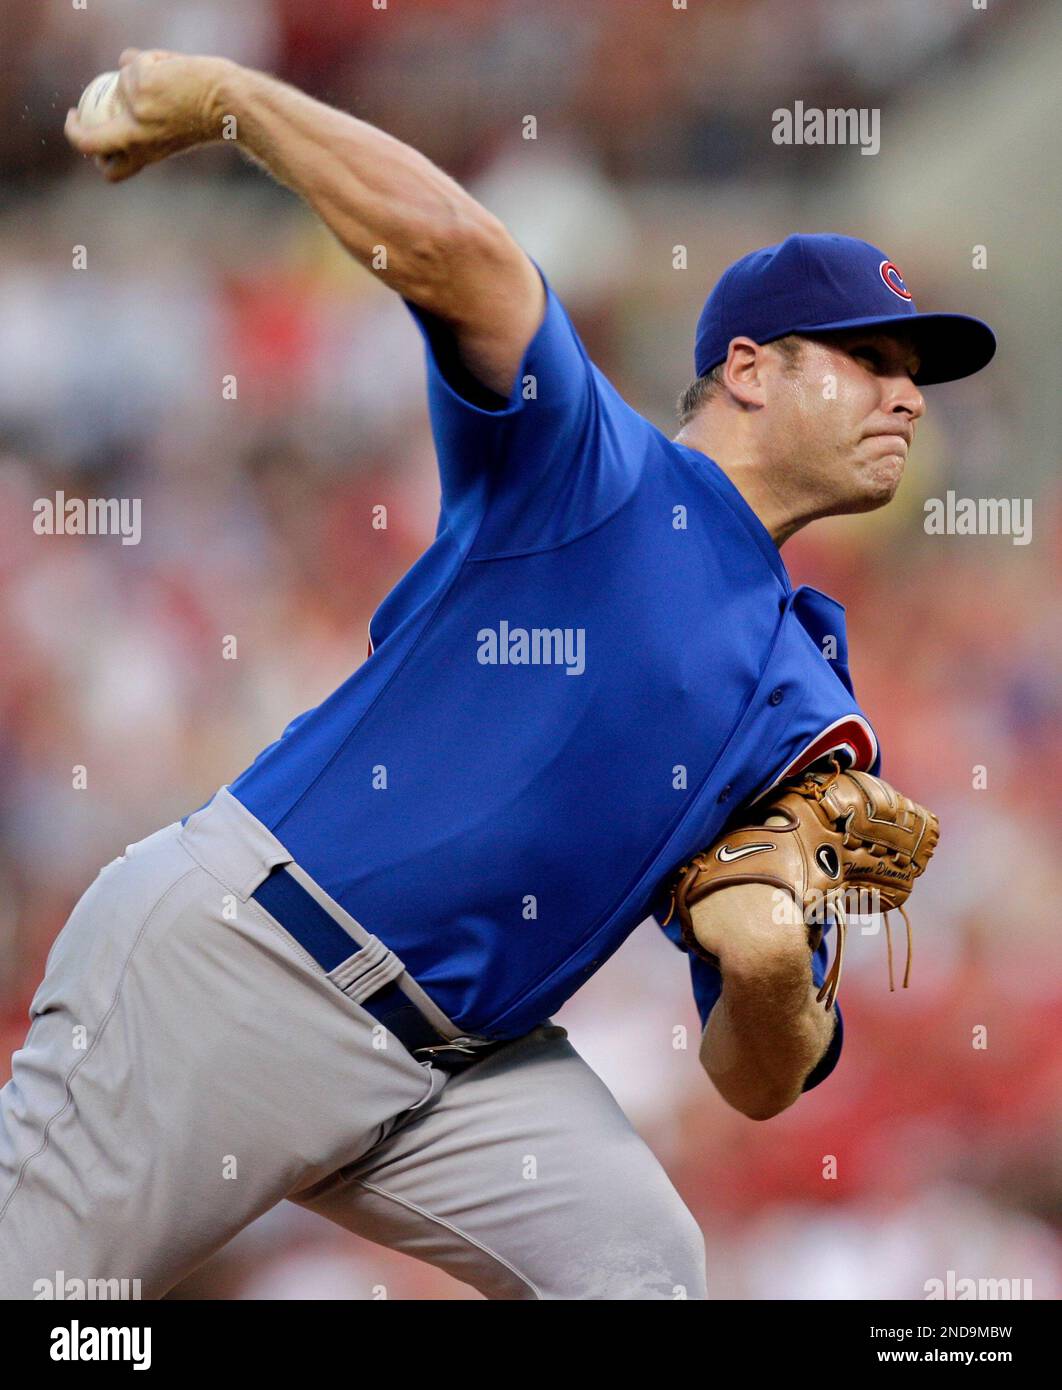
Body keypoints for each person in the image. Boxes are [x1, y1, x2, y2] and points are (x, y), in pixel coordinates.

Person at [0, 49, 993, 1302]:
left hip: (462, 1069)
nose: (907, 398)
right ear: (748, 368)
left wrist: (771, 972)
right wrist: (227, 99)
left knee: (644, 1271)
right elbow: (459, 251)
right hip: (241, 965)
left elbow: (756, 1083)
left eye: (920, 376)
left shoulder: (814, 707)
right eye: (872, 360)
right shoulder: (598, 473)